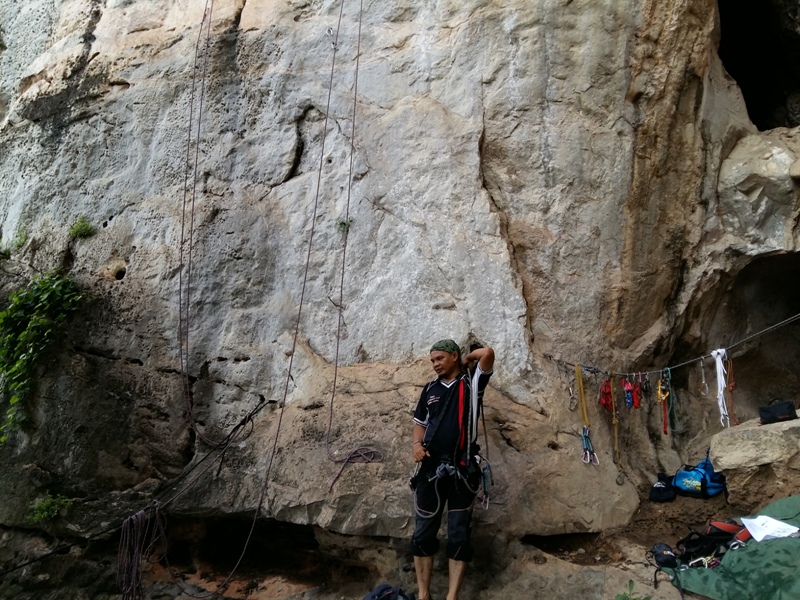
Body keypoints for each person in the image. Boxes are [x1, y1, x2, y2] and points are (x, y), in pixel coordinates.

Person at [410, 339, 495, 600]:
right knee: (423, 531)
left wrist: (469, 360)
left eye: (440, 358)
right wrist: (416, 444)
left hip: (462, 466)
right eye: (432, 360)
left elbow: (488, 354)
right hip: (430, 466)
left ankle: (452, 597)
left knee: (459, 533)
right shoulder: (430, 389)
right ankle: (424, 595)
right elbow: (419, 423)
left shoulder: (472, 384)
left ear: (454, 357)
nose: (435, 364)